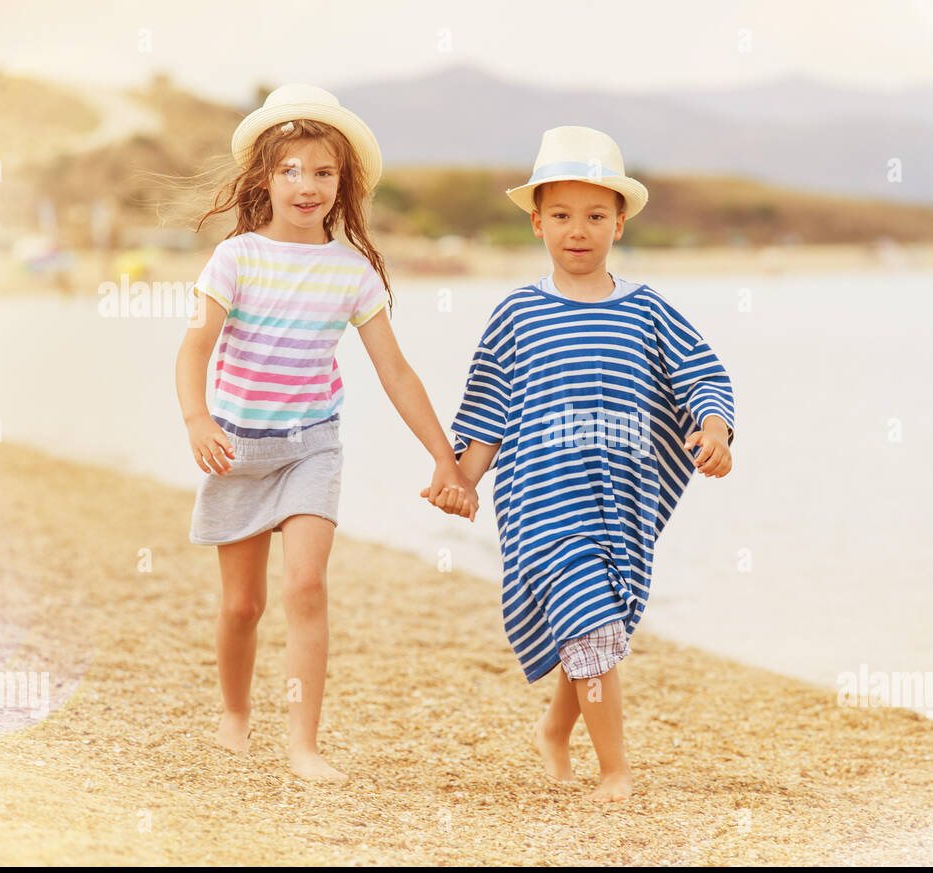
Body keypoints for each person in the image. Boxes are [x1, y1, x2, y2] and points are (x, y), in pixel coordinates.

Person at [425, 126, 736, 802]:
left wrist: (715, 431)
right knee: (590, 618)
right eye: (561, 215)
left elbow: (703, 376)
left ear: (619, 223)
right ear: (536, 223)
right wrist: (462, 480)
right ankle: (616, 770)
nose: (578, 230)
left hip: (618, 503)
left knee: (595, 622)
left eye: (596, 215)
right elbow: (485, 412)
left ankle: (555, 731)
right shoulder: (518, 315)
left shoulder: (648, 312)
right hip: (540, 505)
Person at [176, 84, 477, 782]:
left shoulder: (352, 272)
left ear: (343, 186)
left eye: (323, 172)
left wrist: (446, 458)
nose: (306, 185)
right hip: (237, 448)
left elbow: (396, 372)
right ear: (264, 178)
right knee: (242, 605)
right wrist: (197, 420)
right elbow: (194, 349)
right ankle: (234, 716)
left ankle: (303, 745)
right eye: (291, 170)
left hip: (312, 445)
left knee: (306, 588)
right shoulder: (236, 258)